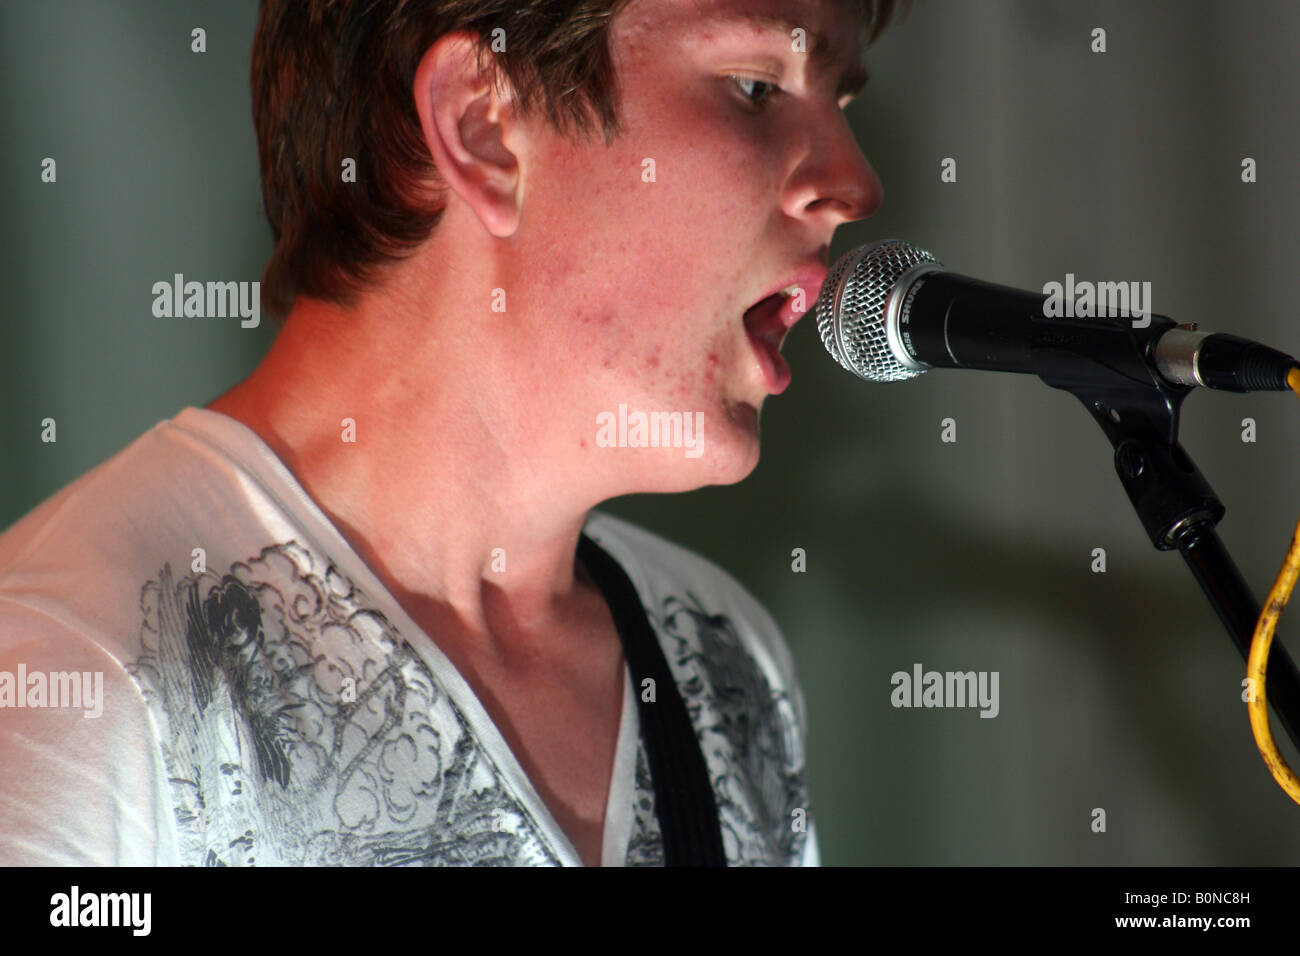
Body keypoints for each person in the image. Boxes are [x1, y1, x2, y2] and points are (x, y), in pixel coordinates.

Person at [0, 0, 900, 866]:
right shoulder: (74, 669)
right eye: (755, 87)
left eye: (841, 102)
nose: (857, 184)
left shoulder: (722, 657)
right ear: (482, 127)